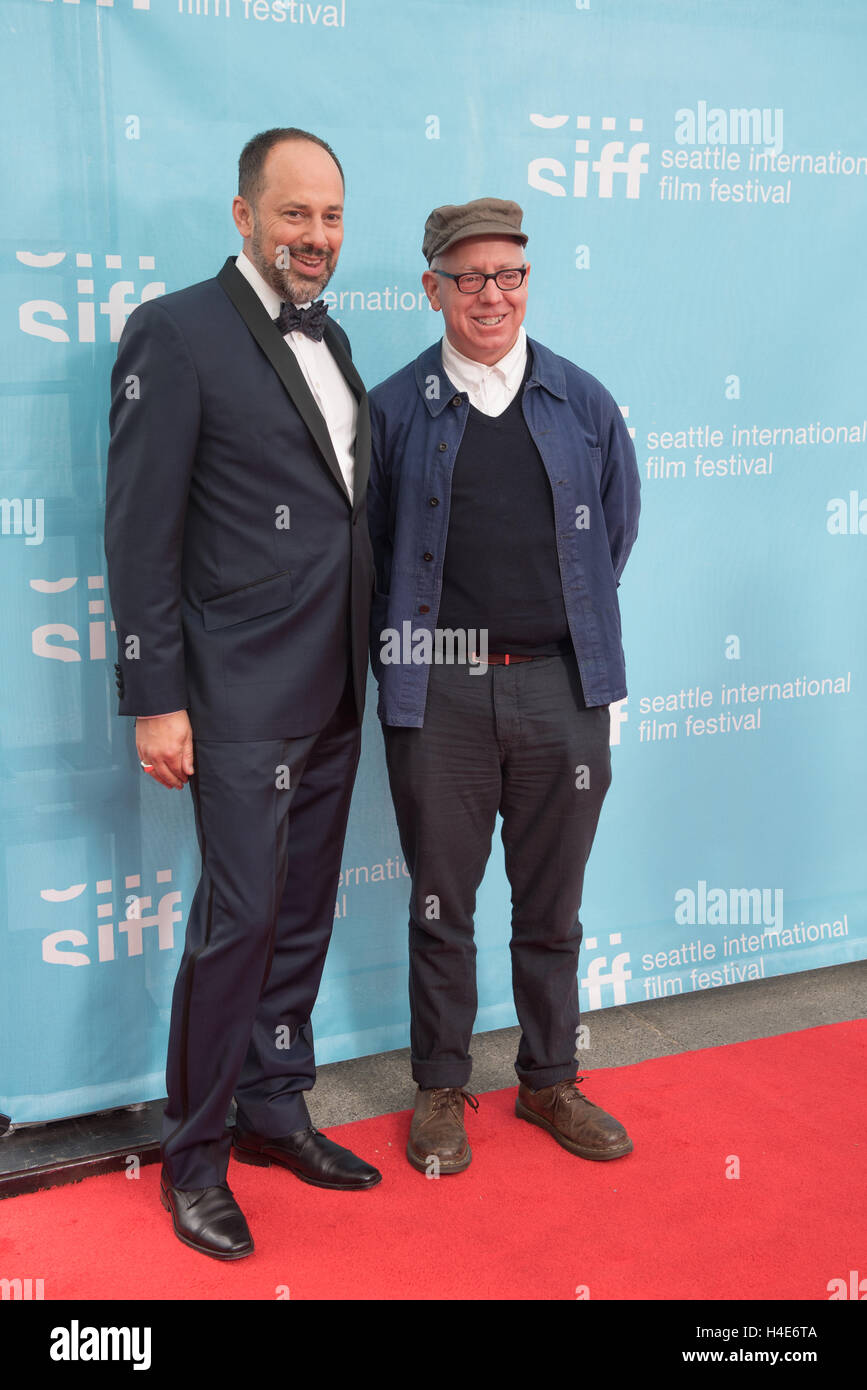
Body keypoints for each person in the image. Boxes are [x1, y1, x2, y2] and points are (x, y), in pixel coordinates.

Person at [104, 128, 381, 1261]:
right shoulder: (176, 333)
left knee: (304, 910)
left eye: (329, 218)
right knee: (239, 920)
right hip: (232, 696)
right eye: (293, 216)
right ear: (242, 217)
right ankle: (197, 1156)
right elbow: (139, 530)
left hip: (332, 687)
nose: (313, 238)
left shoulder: (338, 336)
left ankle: (275, 1103)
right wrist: (155, 699)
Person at [367, 197, 641, 1176]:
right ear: (433, 286)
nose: (492, 295)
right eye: (471, 276)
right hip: (438, 690)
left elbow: (614, 533)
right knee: (442, 902)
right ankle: (441, 1085)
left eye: (510, 275)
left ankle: (549, 1079)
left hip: (562, 689)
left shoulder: (585, 403)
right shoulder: (393, 409)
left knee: (552, 903)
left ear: (528, 282)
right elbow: (370, 553)